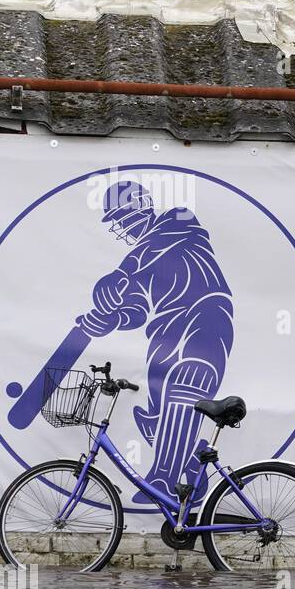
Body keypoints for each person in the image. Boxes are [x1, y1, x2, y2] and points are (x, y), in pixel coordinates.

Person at [79, 181, 234, 504]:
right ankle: (193, 468)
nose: (121, 227)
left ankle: (163, 479)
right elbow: (135, 311)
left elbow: (150, 248)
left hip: (204, 318)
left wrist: (120, 273)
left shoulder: (177, 222)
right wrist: (109, 317)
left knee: (186, 386)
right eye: (116, 222)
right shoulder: (140, 262)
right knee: (157, 416)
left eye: (122, 217)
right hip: (164, 335)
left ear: (141, 208)